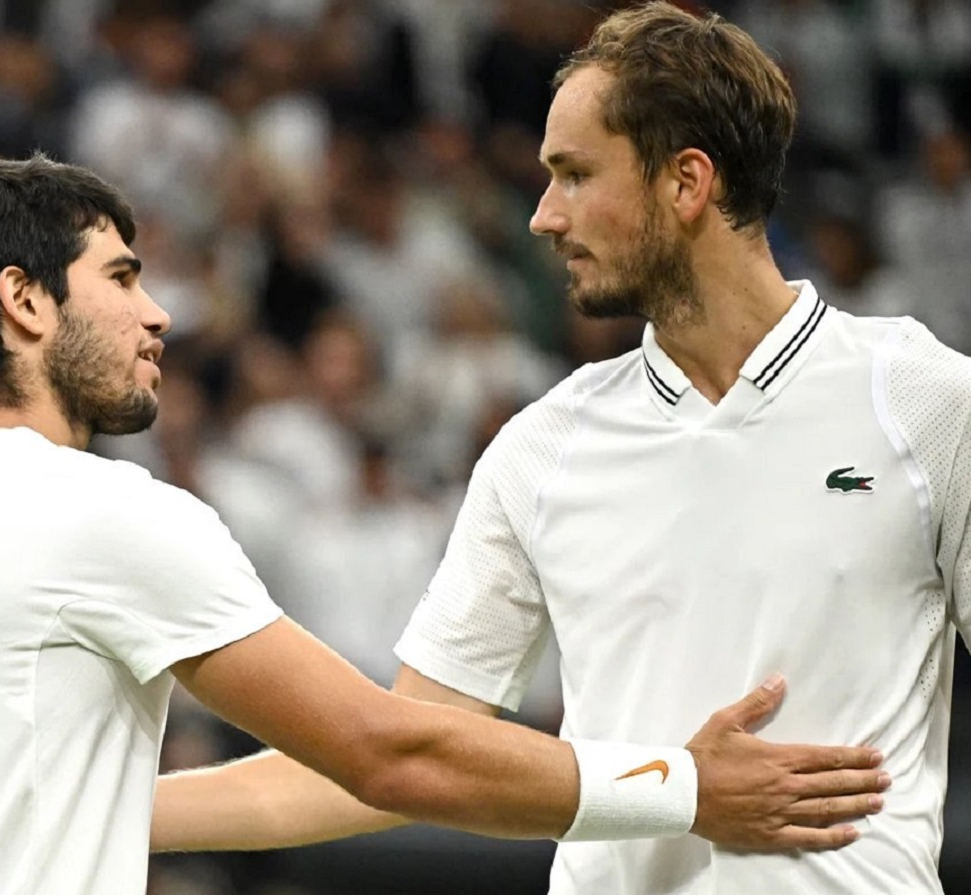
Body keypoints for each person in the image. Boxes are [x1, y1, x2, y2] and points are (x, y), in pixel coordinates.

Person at [0, 153, 886, 895]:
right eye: (122, 277)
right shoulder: (105, 514)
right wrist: (683, 786)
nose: (158, 312)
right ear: (26, 301)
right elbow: (388, 749)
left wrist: (91, 811)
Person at [149, 3, 971, 893]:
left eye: (575, 175)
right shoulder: (542, 448)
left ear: (686, 182)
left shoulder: (923, 402)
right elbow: (392, 755)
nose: (543, 216)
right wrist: (111, 811)